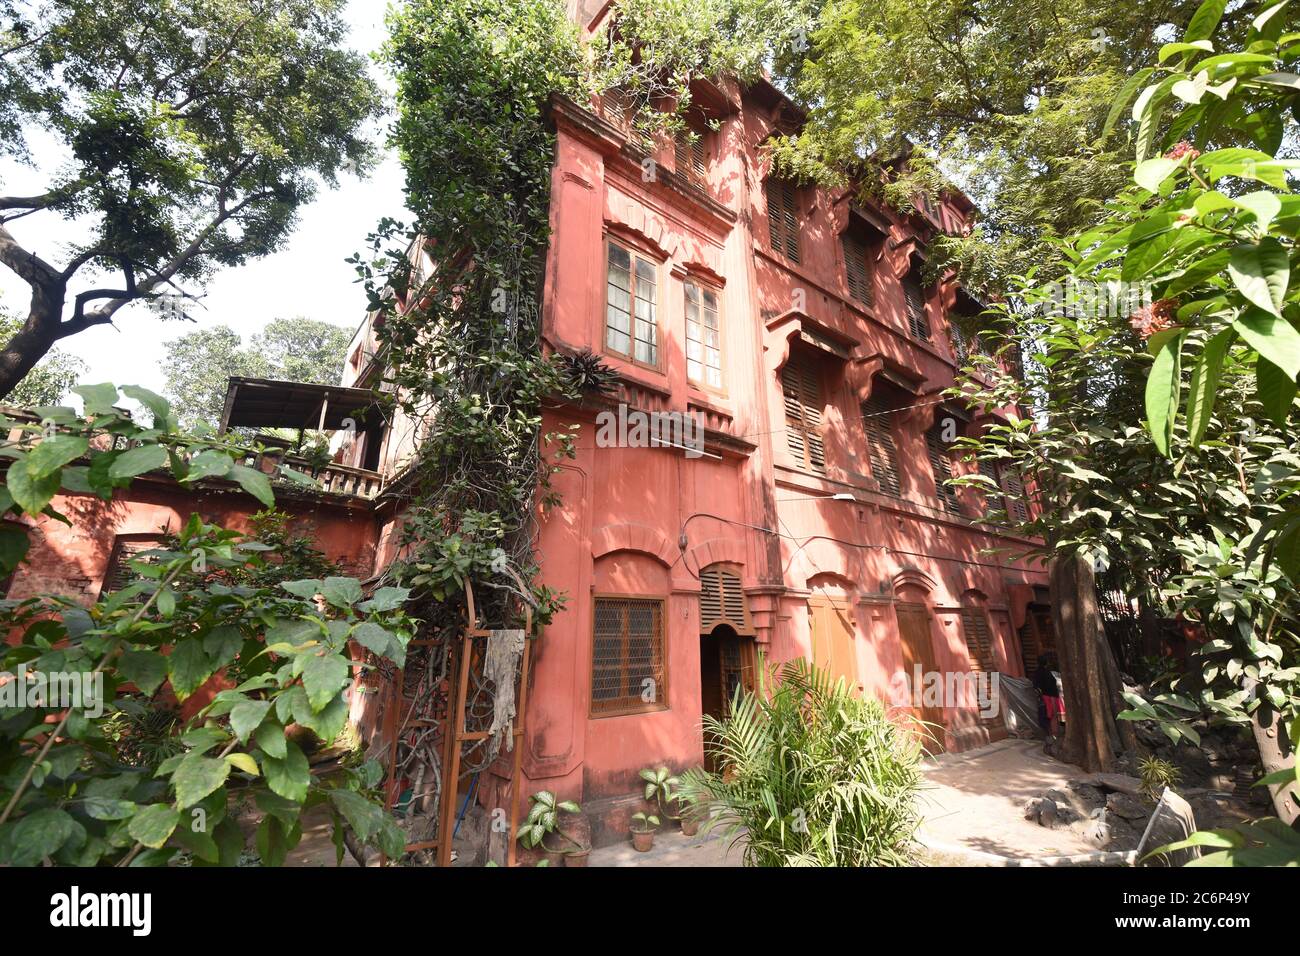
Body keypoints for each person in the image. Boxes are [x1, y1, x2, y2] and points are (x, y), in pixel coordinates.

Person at [1034, 651, 1064, 740]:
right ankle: (1055, 735)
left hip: (1043, 697)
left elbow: (1035, 685)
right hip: (1050, 697)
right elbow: (1051, 686)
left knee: (1048, 716)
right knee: (1053, 716)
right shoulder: (1047, 673)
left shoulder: (1037, 673)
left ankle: (1051, 734)